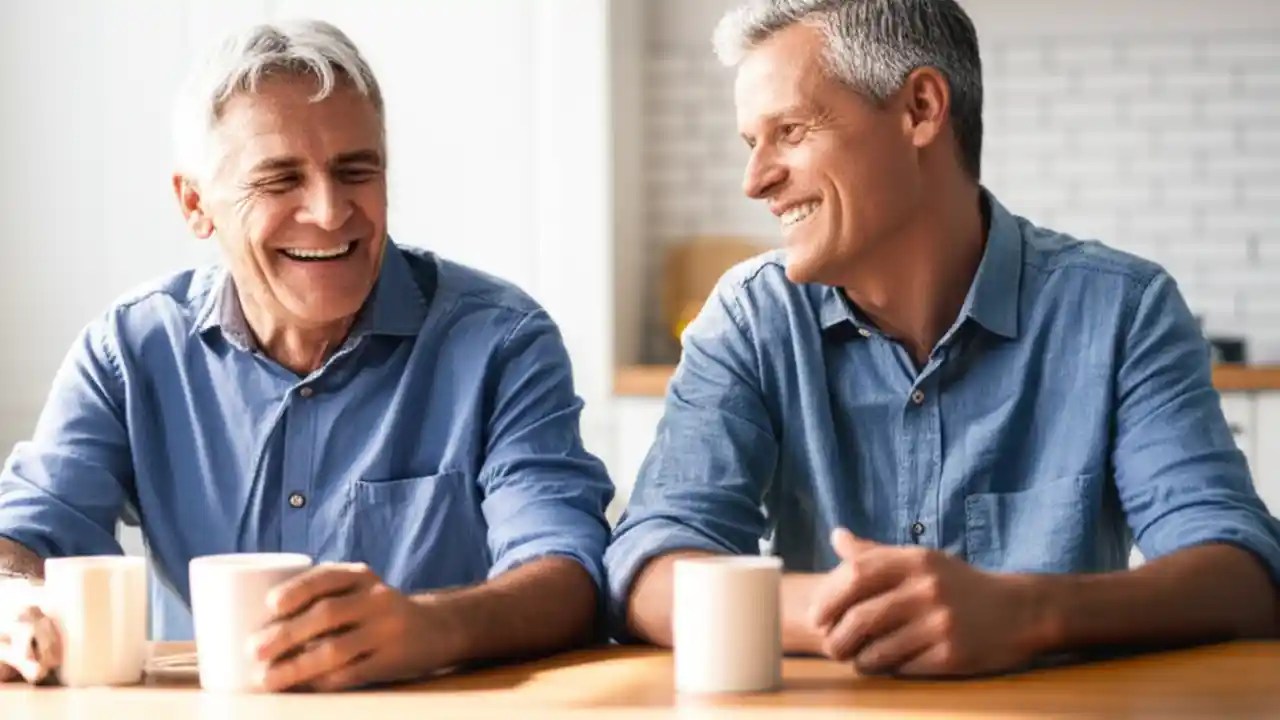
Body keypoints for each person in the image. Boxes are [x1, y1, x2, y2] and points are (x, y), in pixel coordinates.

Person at [606, 0, 1280, 676]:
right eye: (752, 145)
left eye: (790, 130)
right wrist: (851, 611)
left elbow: (1243, 574)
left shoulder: (1121, 310)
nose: (756, 182)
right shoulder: (751, 319)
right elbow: (647, 571)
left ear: (921, 110)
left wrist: (1024, 613)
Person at [0, 19, 612, 691]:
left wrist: (430, 626)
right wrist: (12, 604)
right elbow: (28, 534)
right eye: (279, 179)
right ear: (196, 203)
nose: (327, 211)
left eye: (357, 171)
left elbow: (569, 575)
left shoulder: (502, 340)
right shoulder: (130, 351)